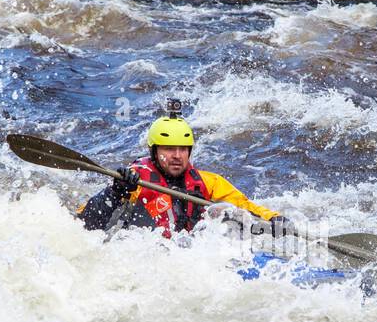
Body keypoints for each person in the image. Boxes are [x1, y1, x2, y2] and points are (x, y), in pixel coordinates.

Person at [79, 102, 295, 239]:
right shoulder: (132, 180)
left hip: (186, 256)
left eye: (183, 149)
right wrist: (116, 192)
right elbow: (83, 223)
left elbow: (246, 207)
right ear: (154, 151)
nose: (177, 156)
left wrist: (274, 219)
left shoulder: (208, 182)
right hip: (141, 252)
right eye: (169, 149)